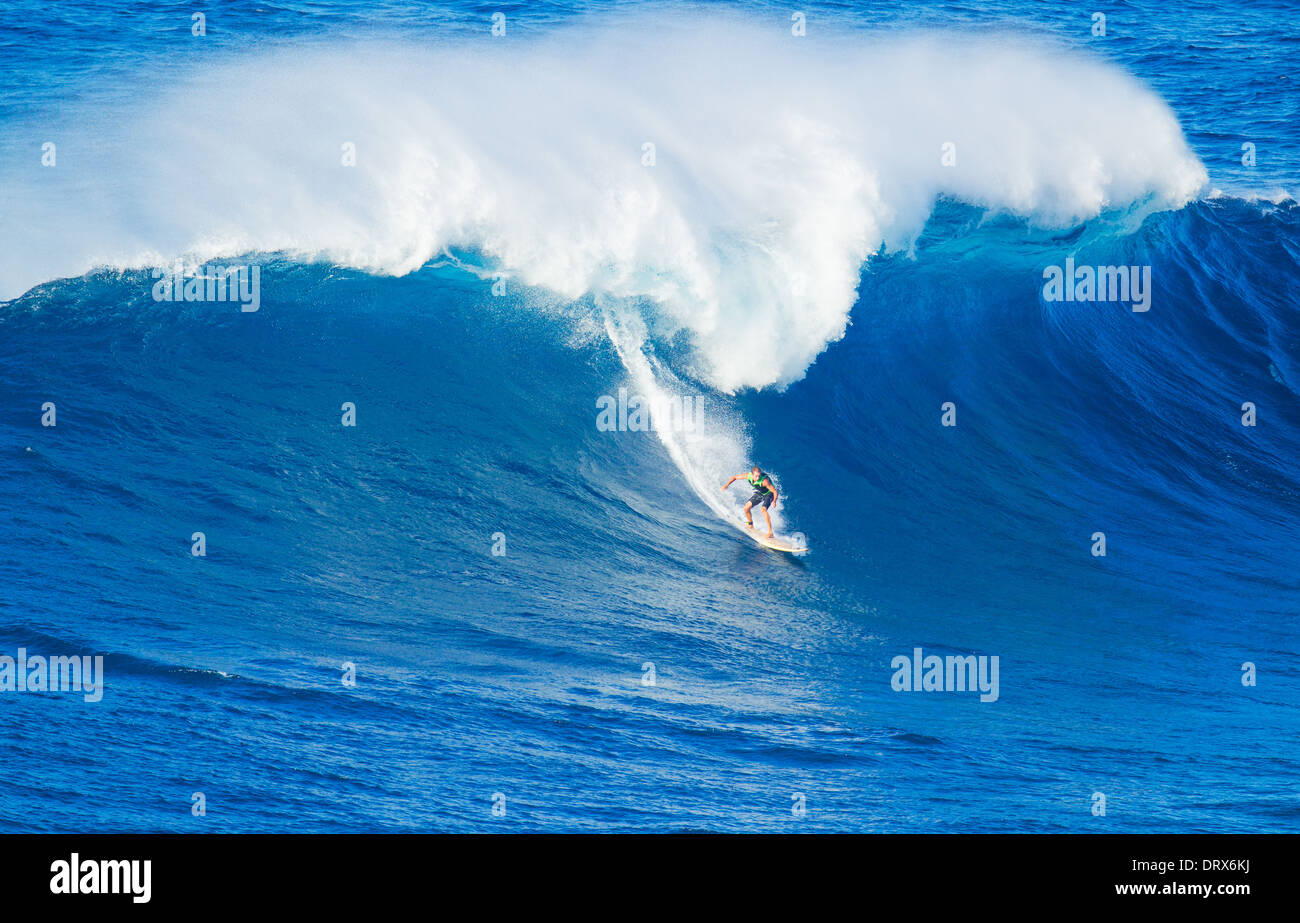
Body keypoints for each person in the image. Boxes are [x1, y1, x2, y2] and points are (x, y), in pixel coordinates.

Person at [722, 466, 779, 539]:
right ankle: (751, 524)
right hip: (760, 493)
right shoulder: (748, 476)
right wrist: (726, 485)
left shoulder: (764, 481)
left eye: (759, 476)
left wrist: (774, 501)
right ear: (752, 475)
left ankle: (770, 533)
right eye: (756, 476)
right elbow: (735, 477)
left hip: (769, 493)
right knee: (746, 508)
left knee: (763, 510)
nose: (757, 478)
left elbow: (774, 491)